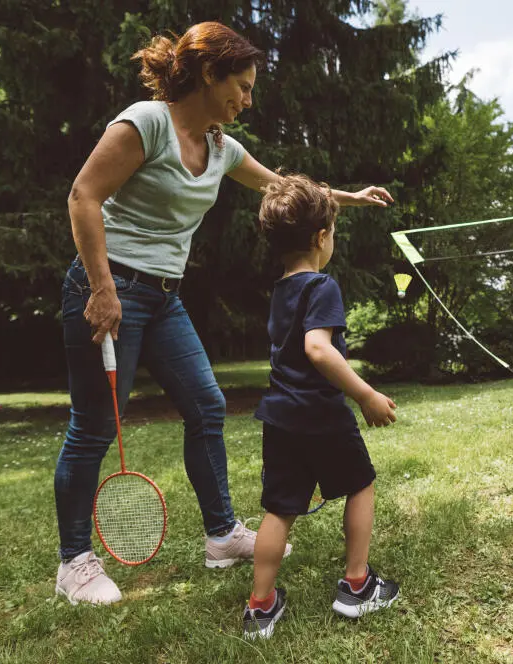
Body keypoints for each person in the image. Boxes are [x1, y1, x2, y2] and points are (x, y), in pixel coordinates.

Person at [54, 22, 396, 606]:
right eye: (241, 85)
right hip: (108, 288)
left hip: (164, 297)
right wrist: (103, 289)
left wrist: (349, 197)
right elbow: (83, 196)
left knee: (207, 405)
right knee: (96, 426)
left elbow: (283, 185)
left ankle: (221, 535)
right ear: (209, 75)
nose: (248, 98)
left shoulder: (221, 147)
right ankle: (75, 562)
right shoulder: (146, 122)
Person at [242, 174, 400, 640]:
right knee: (361, 484)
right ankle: (356, 585)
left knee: (279, 510)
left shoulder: (281, 289)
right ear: (321, 237)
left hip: (280, 416)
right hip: (322, 415)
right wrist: (365, 394)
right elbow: (318, 349)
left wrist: (340, 198)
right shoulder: (321, 286)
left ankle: (260, 607)